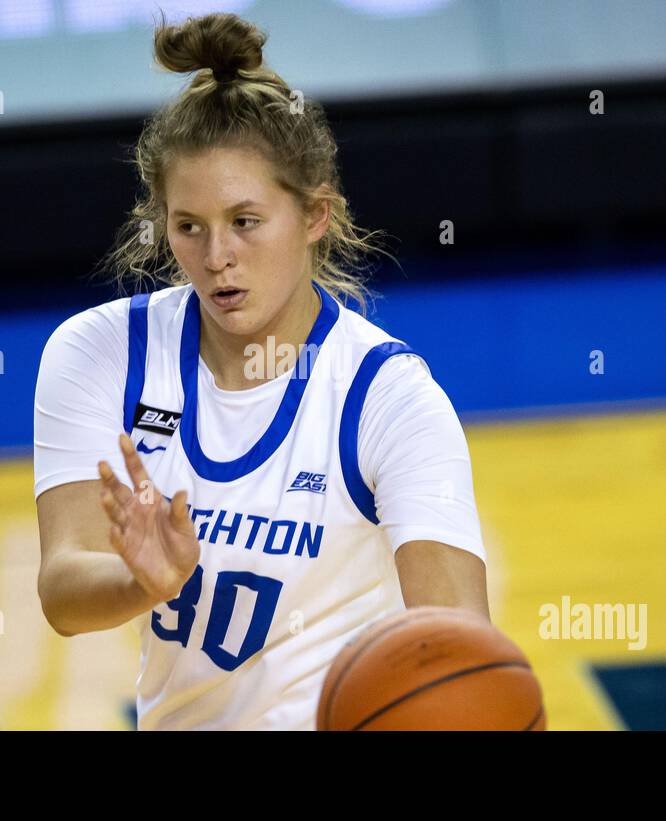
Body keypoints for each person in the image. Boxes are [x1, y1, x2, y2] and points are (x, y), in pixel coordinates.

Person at [34, 12, 487, 730]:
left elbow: (460, 648)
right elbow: (62, 590)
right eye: (189, 226)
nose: (217, 256)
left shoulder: (389, 399)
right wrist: (141, 579)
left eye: (245, 221)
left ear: (315, 214)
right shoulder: (98, 354)